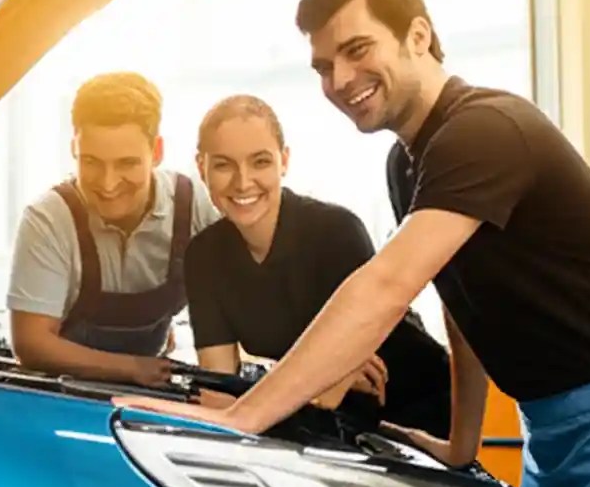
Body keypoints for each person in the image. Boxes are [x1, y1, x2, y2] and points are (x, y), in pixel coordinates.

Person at [113, 0, 590, 487]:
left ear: (418, 36)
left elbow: (385, 288)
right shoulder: (408, 163)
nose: (340, 80)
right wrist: (463, 443)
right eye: (323, 67)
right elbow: (460, 304)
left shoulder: (485, 129)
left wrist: (245, 417)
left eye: (357, 51)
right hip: (553, 423)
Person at [186, 93, 452, 436]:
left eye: (260, 162)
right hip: (315, 419)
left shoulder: (336, 231)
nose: (242, 181)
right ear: (201, 168)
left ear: (284, 161)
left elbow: (331, 392)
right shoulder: (204, 256)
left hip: (413, 405)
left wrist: (312, 383)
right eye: (223, 164)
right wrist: (319, 378)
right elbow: (219, 389)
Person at [7, 71, 218, 388]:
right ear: (73, 149)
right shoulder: (48, 218)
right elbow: (31, 344)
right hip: (65, 392)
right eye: (91, 162)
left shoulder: (195, 206)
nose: (107, 184)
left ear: (156, 152)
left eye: (127, 163)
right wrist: (132, 369)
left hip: (154, 385)